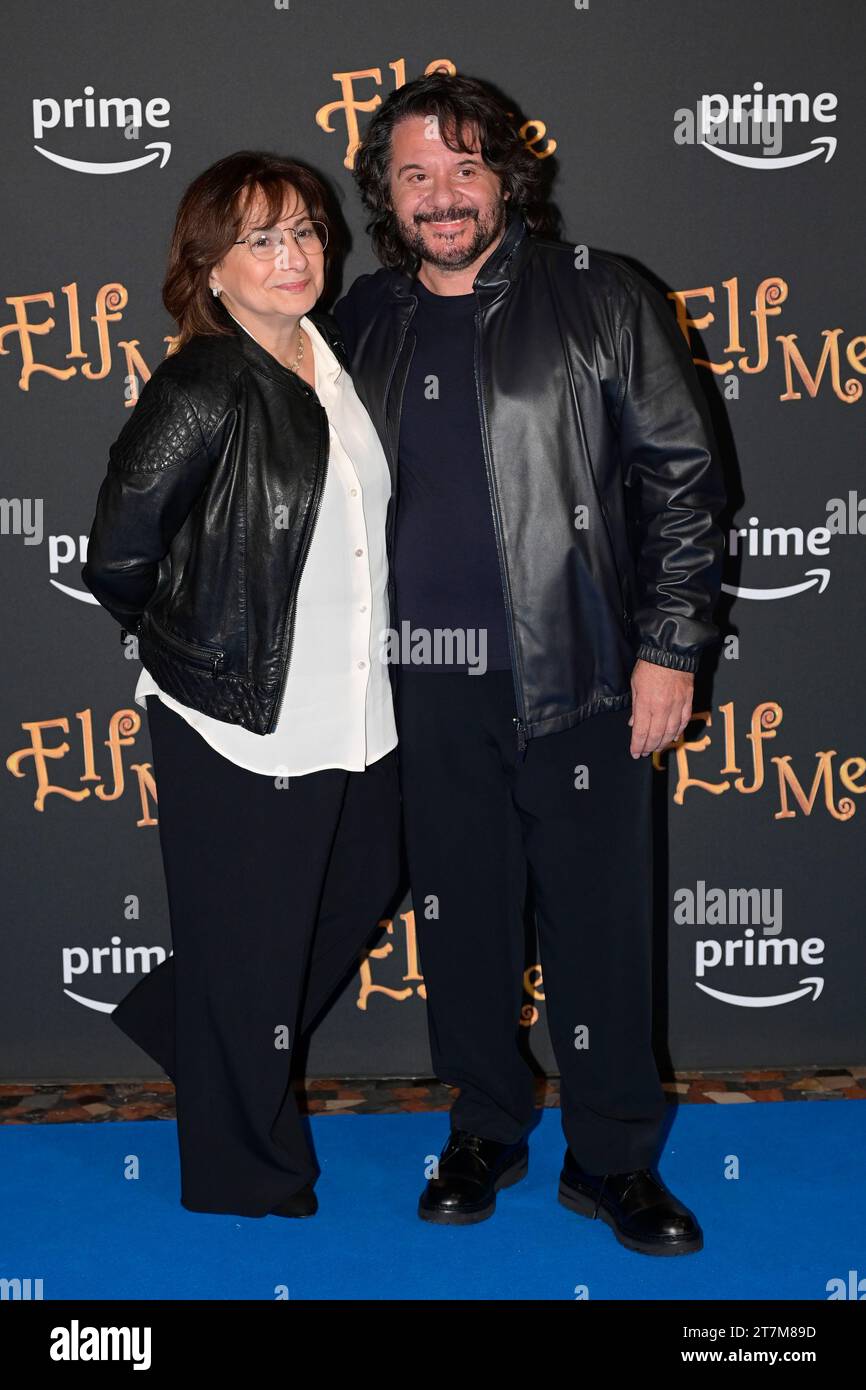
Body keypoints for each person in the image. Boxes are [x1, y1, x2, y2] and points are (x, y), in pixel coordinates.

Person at [334, 73, 727, 1255]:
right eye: (415, 175)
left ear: (508, 176)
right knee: (460, 924)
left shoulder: (599, 295)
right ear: (387, 196)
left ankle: (611, 1158)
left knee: (599, 929)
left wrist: (669, 647)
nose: (441, 196)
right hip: (420, 685)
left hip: (583, 676)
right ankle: (484, 1126)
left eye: (464, 169)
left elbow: (684, 479)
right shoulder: (359, 318)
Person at [82, 150, 401, 1218]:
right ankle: (242, 1176)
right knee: (253, 945)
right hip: (235, 722)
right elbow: (116, 556)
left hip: (359, 710)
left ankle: (188, 1022)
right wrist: (198, 655)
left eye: (305, 229)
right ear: (210, 268)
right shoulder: (202, 381)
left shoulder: (335, 352)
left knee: (353, 894)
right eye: (260, 238)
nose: (292, 254)